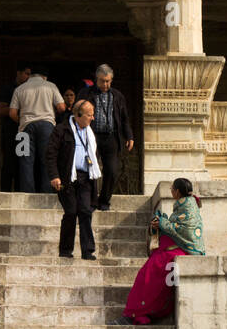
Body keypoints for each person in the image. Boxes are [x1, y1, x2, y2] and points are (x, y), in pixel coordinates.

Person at [120, 178, 204, 325]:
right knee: (147, 271)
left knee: (149, 272)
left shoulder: (188, 207)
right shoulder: (184, 205)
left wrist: (163, 223)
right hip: (175, 248)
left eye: (172, 188)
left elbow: (184, 232)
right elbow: (175, 227)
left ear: (177, 192)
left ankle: (138, 312)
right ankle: (141, 311)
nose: (171, 191)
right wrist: (160, 224)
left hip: (183, 250)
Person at [47, 98, 101, 260]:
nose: (92, 118)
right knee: (71, 212)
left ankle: (87, 250)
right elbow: (51, 154)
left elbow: (96, 156)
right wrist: (54, 176)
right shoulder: (61, 130)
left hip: (85, 177)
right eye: (89, 115)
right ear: (78, 115)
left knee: (85, 211)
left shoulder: (90, 133)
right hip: (66, 178)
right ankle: (65, 250)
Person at [77, 64, 134, 212]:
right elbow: (77, 114)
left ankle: (104, 200)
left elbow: (124, 118)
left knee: (112, 170)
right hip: (92, 136)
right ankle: (91, 200)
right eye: (102, 81)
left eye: (108, 81)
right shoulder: (86, 93)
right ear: (96, 79)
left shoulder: (117, 96)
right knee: (91, 169)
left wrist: (129, 136)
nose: (105, 84)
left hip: (111, 137)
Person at [9, 67, 65, 192]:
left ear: (31, 76)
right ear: (44, 77)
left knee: (25, 161)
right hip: (47, 127)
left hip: (24, 128)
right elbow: (61, 107)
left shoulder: (19, 89)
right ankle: (47, 192)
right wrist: (51, 113)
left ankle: (27, 192)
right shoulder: (51, 86)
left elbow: (12, 113)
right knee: (47, 159)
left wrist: (23, 120)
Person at [0, 64, 31, 191]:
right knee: (9, 162)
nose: (28, 77)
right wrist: (18, 110)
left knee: (22, 163)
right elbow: (0, 110)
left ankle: (20, 191)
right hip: (11, 130)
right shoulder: (8, 89)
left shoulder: (29, 90)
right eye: (26, 74)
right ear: (18, 73)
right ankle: (5, 191)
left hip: (25, 132)